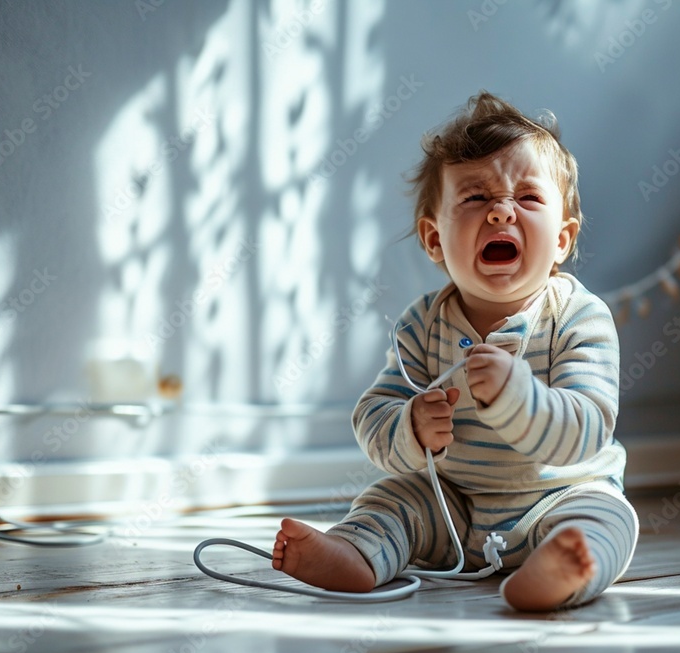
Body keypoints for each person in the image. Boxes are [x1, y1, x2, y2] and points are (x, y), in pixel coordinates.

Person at [273, 91, 638, 612]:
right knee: (394, 499)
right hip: (453, 507)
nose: (499, 213)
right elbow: (373, 416)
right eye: (474, 198)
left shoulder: (578, 318)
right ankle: (353, 553)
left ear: (562, 240)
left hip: (561, 495)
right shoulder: (421, 324)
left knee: (608, 518)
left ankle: (559, 570)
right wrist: (411, 426)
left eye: (528, 199)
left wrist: (517, 396)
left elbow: (586, 428)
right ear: (434, 240)